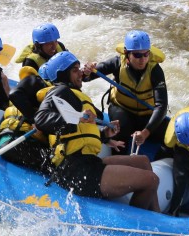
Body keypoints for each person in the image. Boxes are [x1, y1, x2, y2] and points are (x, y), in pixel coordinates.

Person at [34, 51, 159, 211]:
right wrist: (78, 118)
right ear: (63, 75)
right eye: (74, 70)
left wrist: (105, 134)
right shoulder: (59, 91)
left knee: (142, 162)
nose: (81, 73)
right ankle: (142, 224)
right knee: (151, 180)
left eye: (79, 68)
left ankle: (158, 215)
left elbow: (79, 135)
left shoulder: (74, 95)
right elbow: (41, 118)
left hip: (88, 161)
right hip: (75, 170)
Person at [82, 30, 169, 154]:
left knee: (170, 133)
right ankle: (118, 160)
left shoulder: (155, 71)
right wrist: (87, 72)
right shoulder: (117, 63)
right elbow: (86, 78)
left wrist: (145, 132)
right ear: (127, 54)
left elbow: (161, 106)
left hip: (146, 114)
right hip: (122, 109)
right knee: (120, 127)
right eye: (137, 55)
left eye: (146, 54)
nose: (142, 59)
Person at [0, 64, 54, 172]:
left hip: (5, 140)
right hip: (17, 142)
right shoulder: (40, 87)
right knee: (59, 164)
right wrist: (35, 121)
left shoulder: (28, 93)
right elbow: (14, 95)